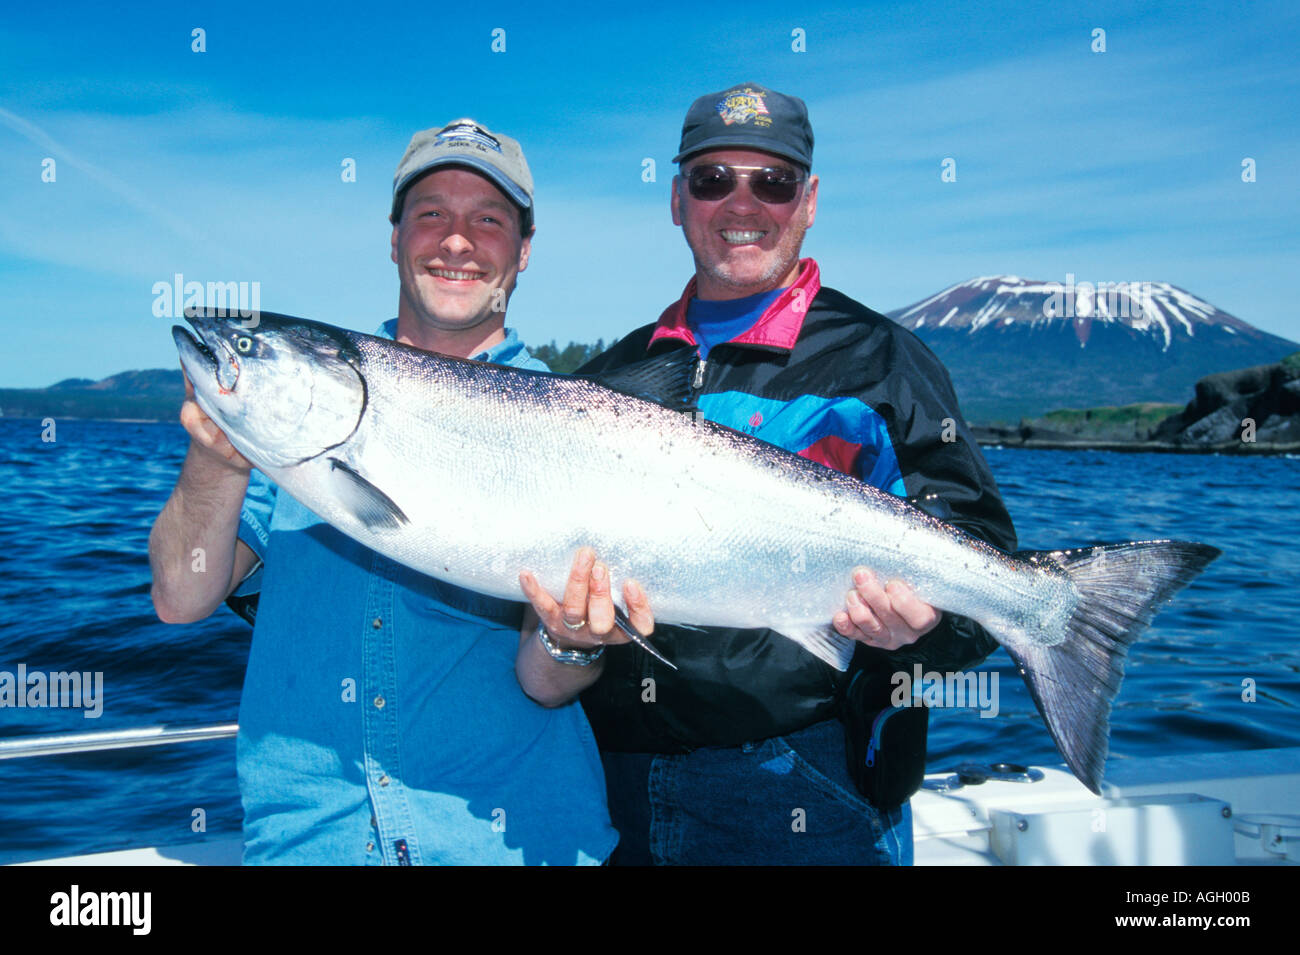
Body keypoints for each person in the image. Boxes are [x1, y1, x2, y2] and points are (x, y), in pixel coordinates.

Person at [521, 83, 1018, 865]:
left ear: (810, 200)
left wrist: (917, 633)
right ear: (677, 199)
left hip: (805, 788)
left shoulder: (883, 363)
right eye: (714, 179)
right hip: (611, 788)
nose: (741, 202)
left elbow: (979, 562)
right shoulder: (610, 380)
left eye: (773, 181)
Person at [148, 119, 620, 865]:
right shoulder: (298, 414)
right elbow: (180, 598)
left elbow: (547, 686)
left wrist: (572, 637)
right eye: (431, 213)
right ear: (395, 237)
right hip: (308, 841)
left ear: (523, 251)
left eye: (488, 219)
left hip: (508, 842)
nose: (457, 240)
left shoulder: (590, 429)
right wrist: (219, 457)